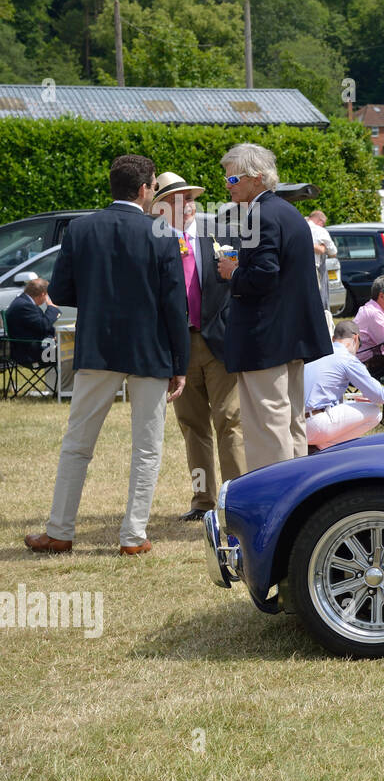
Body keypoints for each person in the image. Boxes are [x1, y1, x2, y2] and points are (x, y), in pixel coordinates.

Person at [25, 155, 188, 555]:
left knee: (77, 444)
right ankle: (133, 536)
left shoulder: (81, 230)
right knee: (146, 447)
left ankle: (60, 530)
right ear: (145, 189)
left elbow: (60, 293)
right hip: (150, 349)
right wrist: (180, 364)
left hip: (97, 345)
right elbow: (174, 305)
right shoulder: (162, 232)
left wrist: (98, 301)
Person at [216, 143, 332, 471]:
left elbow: (264, 276)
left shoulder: (260, 214)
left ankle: (275, 504)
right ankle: (295, 498)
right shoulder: (287, 212)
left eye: (233, 179)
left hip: (265, 338)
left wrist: (232, 271)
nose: (227, 184)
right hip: (289, 336)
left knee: (267, 428)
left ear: (255, 179)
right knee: (291, 422)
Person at [153, 171, 245, 521]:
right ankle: (203, 501)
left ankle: (237, 501)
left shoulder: (219, 236)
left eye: (189, 198)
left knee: (231, 422)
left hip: (219, 345)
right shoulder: (155, 244)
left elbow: (238, 288)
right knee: (193, 427)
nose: (187, 205)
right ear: (161, 209)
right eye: (176, 200)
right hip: (178, 348)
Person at [302, 320, 384, 450]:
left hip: (297, 425)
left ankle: (324, 444)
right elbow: (381, 397)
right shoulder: (347, 358)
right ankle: (327, 446)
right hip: (316, 425)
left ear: (333, 339)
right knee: (375, 412)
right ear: (356, 338)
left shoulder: (318, 353)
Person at [5, 276, 59, 366]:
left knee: (64, 348)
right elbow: (44, 325)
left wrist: (52, 337)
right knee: (69, 352)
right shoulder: (25, 305)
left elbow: (39, 326)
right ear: (43, 294)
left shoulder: (23, 302)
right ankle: (63, 380)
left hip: (32, 348)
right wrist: (52, 308)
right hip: (30, 354)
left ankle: (57, 380)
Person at [306, 209, 335, 332]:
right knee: (316, 300)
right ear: (320, 221)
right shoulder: (319, 230)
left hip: (295, 269)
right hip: (313, 269)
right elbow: (333, 251)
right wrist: (321, 248)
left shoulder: (298, 226)